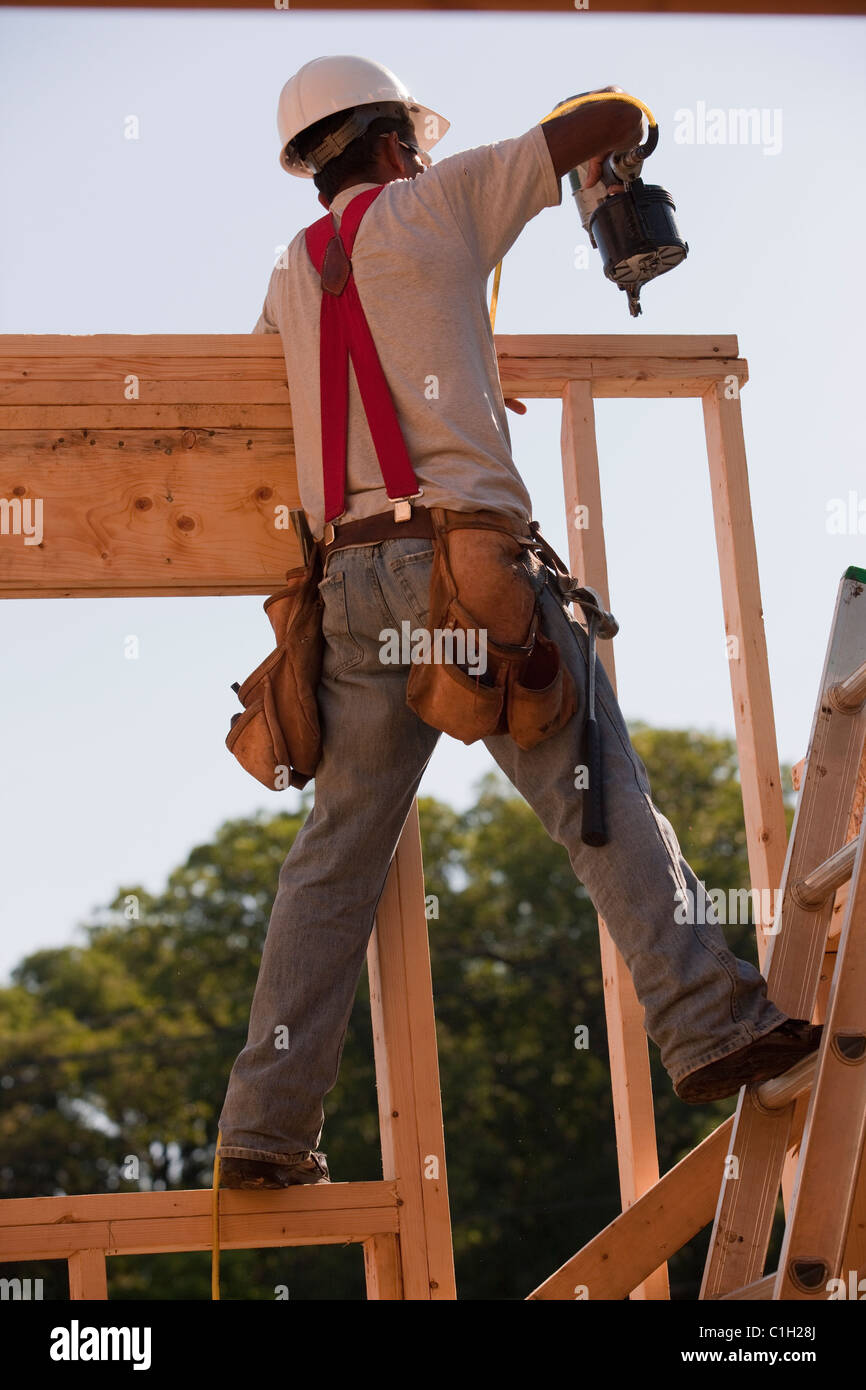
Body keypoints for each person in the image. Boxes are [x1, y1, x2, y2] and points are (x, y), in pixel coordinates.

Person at [218, 56, 819, 1190]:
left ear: (313, 163)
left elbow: (305, 395)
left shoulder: (292, 273)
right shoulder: (436, 200)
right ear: (395, 141)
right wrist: (613, 143)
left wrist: (462, 382)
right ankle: (712, 1025)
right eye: (419, 146)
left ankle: (262, 1128)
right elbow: (611, 115)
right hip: (468, 570)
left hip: (346, 590)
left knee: (332, 862)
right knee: (594, 793)